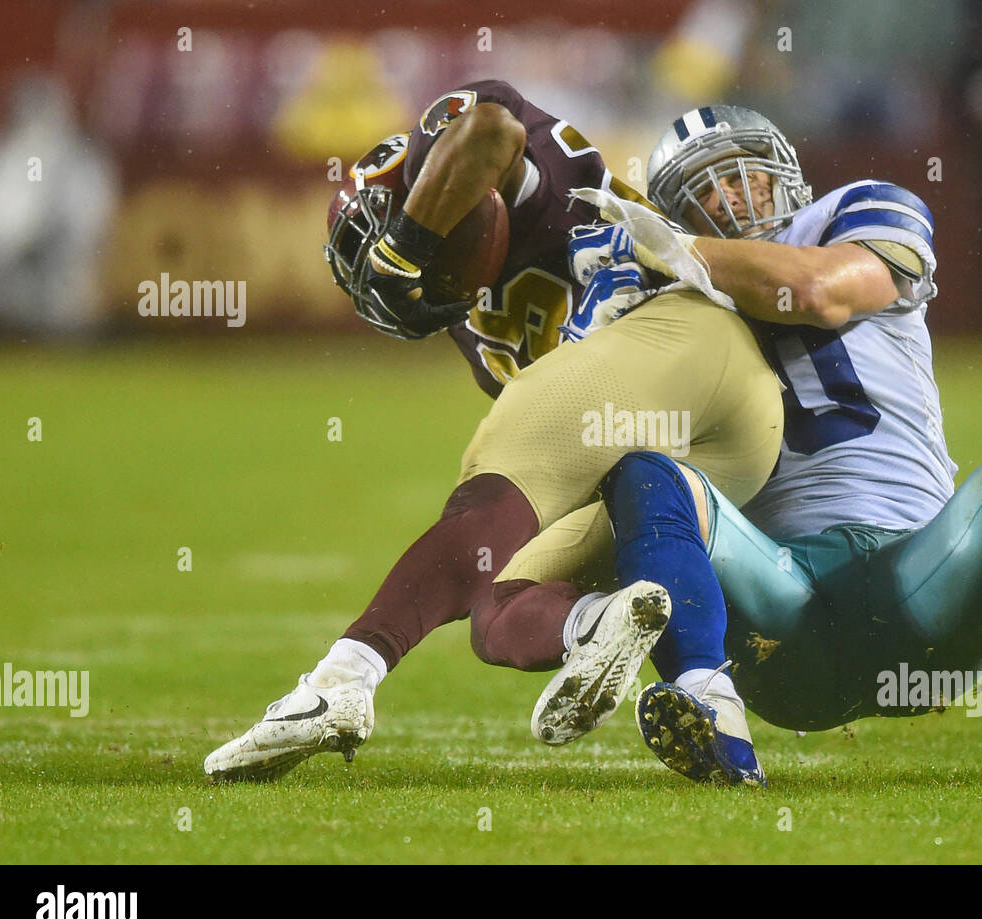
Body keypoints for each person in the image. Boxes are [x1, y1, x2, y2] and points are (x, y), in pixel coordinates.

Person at [526, 105, 982, 787]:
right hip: (780, 616)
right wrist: (592, 331)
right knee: (642, 474)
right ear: (678, 212)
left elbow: (815, 290)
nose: (731, 200)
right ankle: (709, 707)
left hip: (920, 582)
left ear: (782, 172)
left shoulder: (853, 211)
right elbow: (579, 434)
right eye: (705, 193)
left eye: (743, 178)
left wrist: (677, 253)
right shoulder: (670, 296)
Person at [203, 85, 786, 781]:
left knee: (495, 476)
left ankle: (338, 680)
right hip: (712, 459)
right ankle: (674, 680)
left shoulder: (532, 185)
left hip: (696, 344)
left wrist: (405, 247)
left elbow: (488, 128)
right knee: (495, 600)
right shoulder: (477, 323)